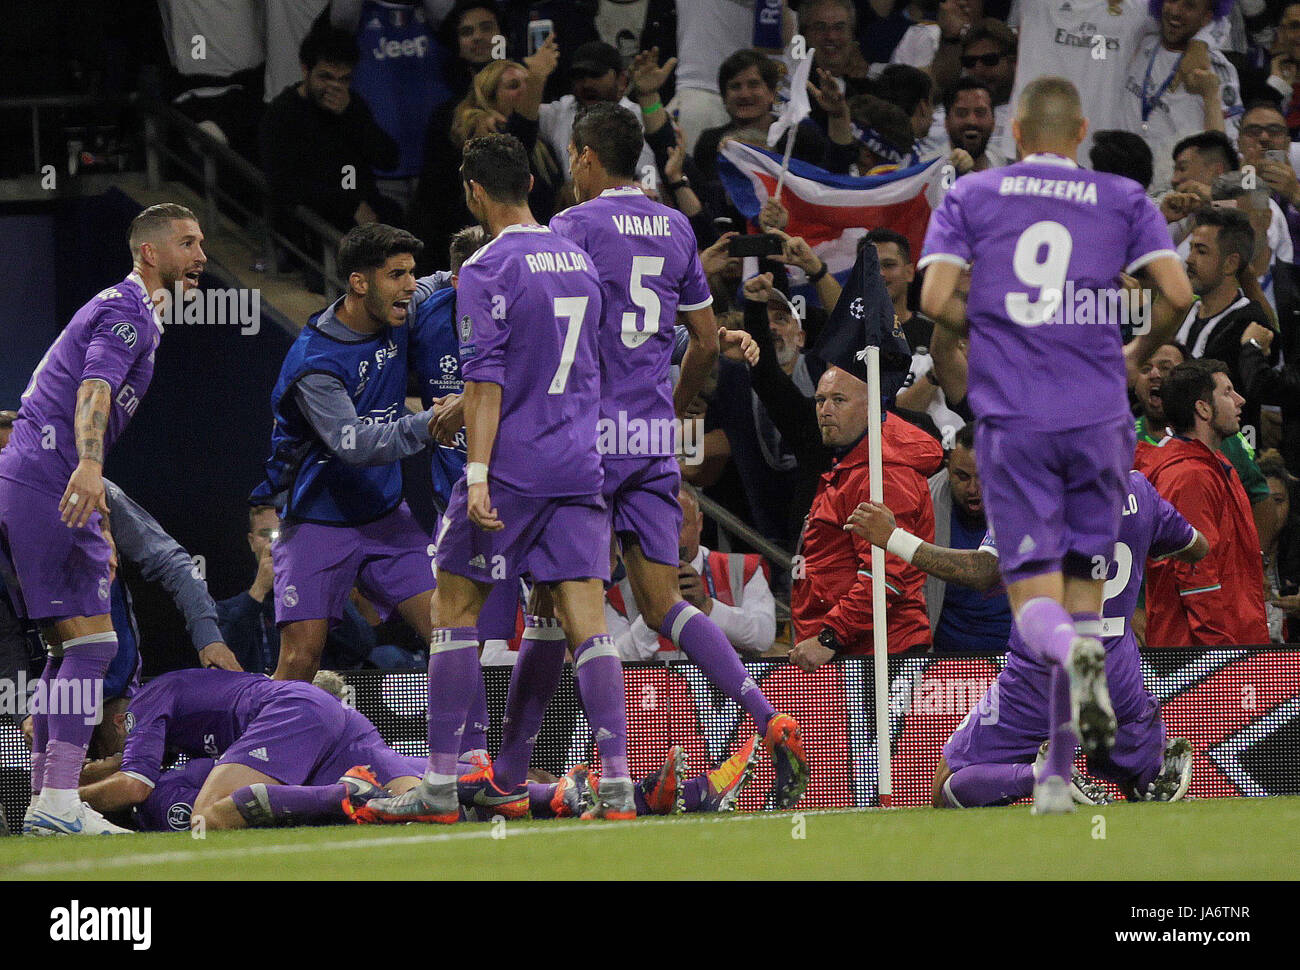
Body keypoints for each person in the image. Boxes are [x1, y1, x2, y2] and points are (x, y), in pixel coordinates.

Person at [918, 76, 1195, 813]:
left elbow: (933, 299)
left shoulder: (973, 195)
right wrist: (1136, 353)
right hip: (1100, 420)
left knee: (1034, 597)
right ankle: (1054, 777)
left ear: (1014, 133)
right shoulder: (1124, 198)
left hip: (1017, 421)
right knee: (1082, 600)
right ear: (1080, 133)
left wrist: (1000, 321)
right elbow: (1177, 293)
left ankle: (1055, 760)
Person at [535, 102, 807, 809]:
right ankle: (766, 715)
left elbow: (553, 336)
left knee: (579, 608)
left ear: (587, 156)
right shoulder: (676, 225)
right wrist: (678, 407)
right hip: (650, 439)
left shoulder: (571, 226)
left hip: (586, 440)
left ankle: (614, 775)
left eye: (572, 157)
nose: (571, 168)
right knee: (665, 604)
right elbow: (709, 341)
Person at [355, 133, 625, 823]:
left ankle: (441, 785)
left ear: (474, 192)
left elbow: (487, 379)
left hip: (512, 465)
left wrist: (476, 474)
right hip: (578, 463)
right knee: (586, 626)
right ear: (532, 185)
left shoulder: (484, 266)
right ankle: (618, 781)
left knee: (454, 612)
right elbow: (591, 369)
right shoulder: (581, 260)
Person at [0, 203, 205, 836]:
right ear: (150, 253)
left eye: (202, 242)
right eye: (187, 243)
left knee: (71, 648)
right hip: (51, 479)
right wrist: (89, 468)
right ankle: (59, 801)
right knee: (96, 644)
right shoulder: (126, 311)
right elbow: (93, 391)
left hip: (29, 478)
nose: (201, 255)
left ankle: (45, 802)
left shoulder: (131, 311)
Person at [847, 470, 1206, 807]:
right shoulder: (1139, 490)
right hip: (1118, 674)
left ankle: (1044, 775)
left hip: (1042, 676)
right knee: (1138, 786)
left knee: (946, 784)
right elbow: (1197, 546)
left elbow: (983, 572)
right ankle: (1150, 776)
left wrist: (892, 537)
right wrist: (1141, 537)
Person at [249, 223, 439, 682]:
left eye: (411, 273)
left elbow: (448, 277)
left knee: (451, 636)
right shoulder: (314, 363)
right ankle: (260, 752)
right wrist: (430, 422)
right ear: (359, 283)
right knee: (300, 659)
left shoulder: (396, 306)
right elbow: (353, 444)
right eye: (397, 275)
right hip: (318, 519)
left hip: (386, 516)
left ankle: (464, 753)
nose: (411, 287)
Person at [76, 668, 423, 830]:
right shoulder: (184, 736)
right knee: (416, 803)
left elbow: (133, 784)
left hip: (291, 708)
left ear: (120, 722)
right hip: (324, 713)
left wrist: (66, 799)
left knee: (208, 816)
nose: (99, 760)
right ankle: (470, 776)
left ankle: (344, 796)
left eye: (100, 748)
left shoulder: (145, 702)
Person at [787, 363, 945, 665]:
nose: (825, 410)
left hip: (879, 652)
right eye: (820, 400)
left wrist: (829, 637)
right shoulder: (852, 467)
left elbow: (885, 576)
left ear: (872, 406)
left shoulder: (884, 474)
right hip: (850, 650)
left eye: (839, 400)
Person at [1134, 359, 1271, 646]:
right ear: (1203, 408)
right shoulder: (1189, 476)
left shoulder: (1216, 462)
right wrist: (1219, 657)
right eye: (1228, 392)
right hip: (1202, 655)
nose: (1240, 399)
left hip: (1233, 640)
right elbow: (1197, 581)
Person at [1133, 341, 1275, 561]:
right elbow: (1195, 574)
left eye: (1166, 368)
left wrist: (1257, 561)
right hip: (1162, 588)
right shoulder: (1124, 443)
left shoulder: (1224, 445)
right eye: (1145, 368)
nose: (1154, 375)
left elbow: (1261, 499)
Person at [259, 21, 400, 242]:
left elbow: (388, 158)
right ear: (306, 70)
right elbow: (285, 184)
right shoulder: (282, 114)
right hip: (311, 222)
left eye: (343, 79)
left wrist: (350, 115)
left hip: (364, 213)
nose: (334, 87)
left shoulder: (353, 106)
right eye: (326, 77)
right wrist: (349, 205)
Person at [607, 483, 776, 658]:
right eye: (660, 527)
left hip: (725, 685)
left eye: (680, 525)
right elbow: (614, 660)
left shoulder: (741, 570)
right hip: (659, 686)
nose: (671, 535)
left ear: (699, 522)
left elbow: (764, 636)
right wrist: (656, 611)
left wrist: (706, 606)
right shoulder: (620, 594)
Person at [215, 505, 377, 674]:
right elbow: (222, 663)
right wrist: (258, 591)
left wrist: (313, 582)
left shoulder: (318, 598)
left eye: (284, 534)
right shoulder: (227, 610)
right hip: (256, 698)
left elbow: (362, 645)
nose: (275, 544)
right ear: (252, 541)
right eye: (266, 534)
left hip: (312, 696)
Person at [1119, 0, 1239, 196]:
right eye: (1171, 0)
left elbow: (1226, 151)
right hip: (1121, 182)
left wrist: (1210, 97)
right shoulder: (1141, 44)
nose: (1175, 11)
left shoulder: (1216, 68)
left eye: (1189, 6)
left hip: (1173, 194)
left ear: (1207, 17)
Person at [942, 77, 1006, 172]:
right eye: (962, 113)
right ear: (946, 122)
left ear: (993, 122)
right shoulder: (927, 172)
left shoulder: (1004, 166)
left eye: (980, 112)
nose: (972, 121)